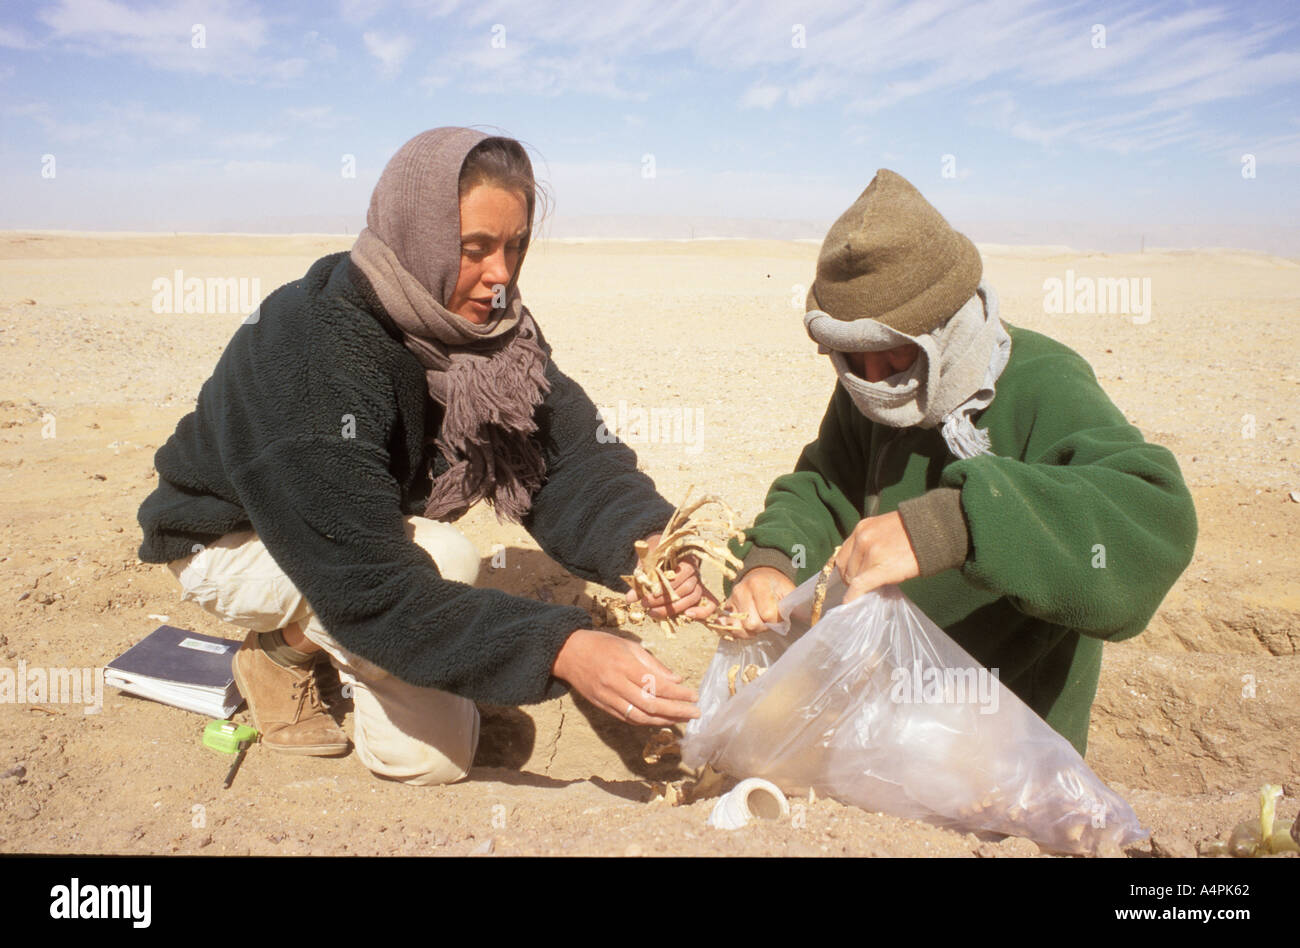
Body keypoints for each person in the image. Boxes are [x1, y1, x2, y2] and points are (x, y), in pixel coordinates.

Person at [136, 127, 707, 784]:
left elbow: (567, 457)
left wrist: (644, 544)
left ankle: (334, 642)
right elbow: (373, 586)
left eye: (515, 246)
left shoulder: (493, 332)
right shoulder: (315, 351)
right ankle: (278, 654)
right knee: (430, 749)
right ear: (418, 236)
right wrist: (562, 647)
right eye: (475, 249)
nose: (501, 273)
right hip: (234, 539)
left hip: (349, 531)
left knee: (436, 585)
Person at [721, 169, 1197, 756]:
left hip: (1010, 758)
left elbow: (1149, 517)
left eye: (892, 355)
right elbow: (823, 485)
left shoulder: (1044, 383)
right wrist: (772, 563)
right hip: (879, 742)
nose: (873, 383)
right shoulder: (870, 387)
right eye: (851, 358)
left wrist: (954, 526)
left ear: (942, 325)